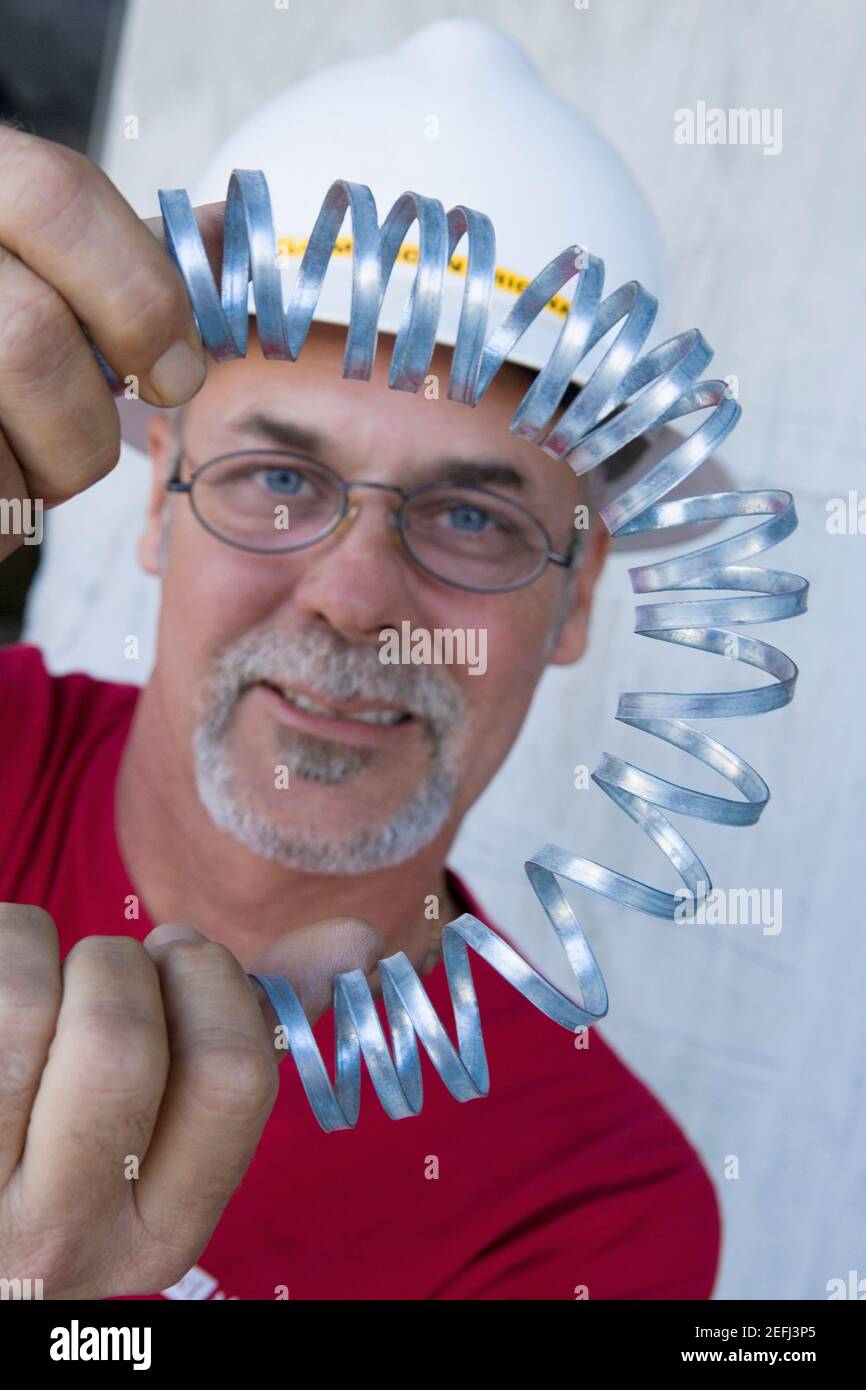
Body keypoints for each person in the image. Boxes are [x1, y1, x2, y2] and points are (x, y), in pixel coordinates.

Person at [0, 21, 721, 1301]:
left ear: (575, 600)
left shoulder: (595, 1207)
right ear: (158, 501)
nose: (351, 599)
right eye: (279, 477)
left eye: (470, 517)